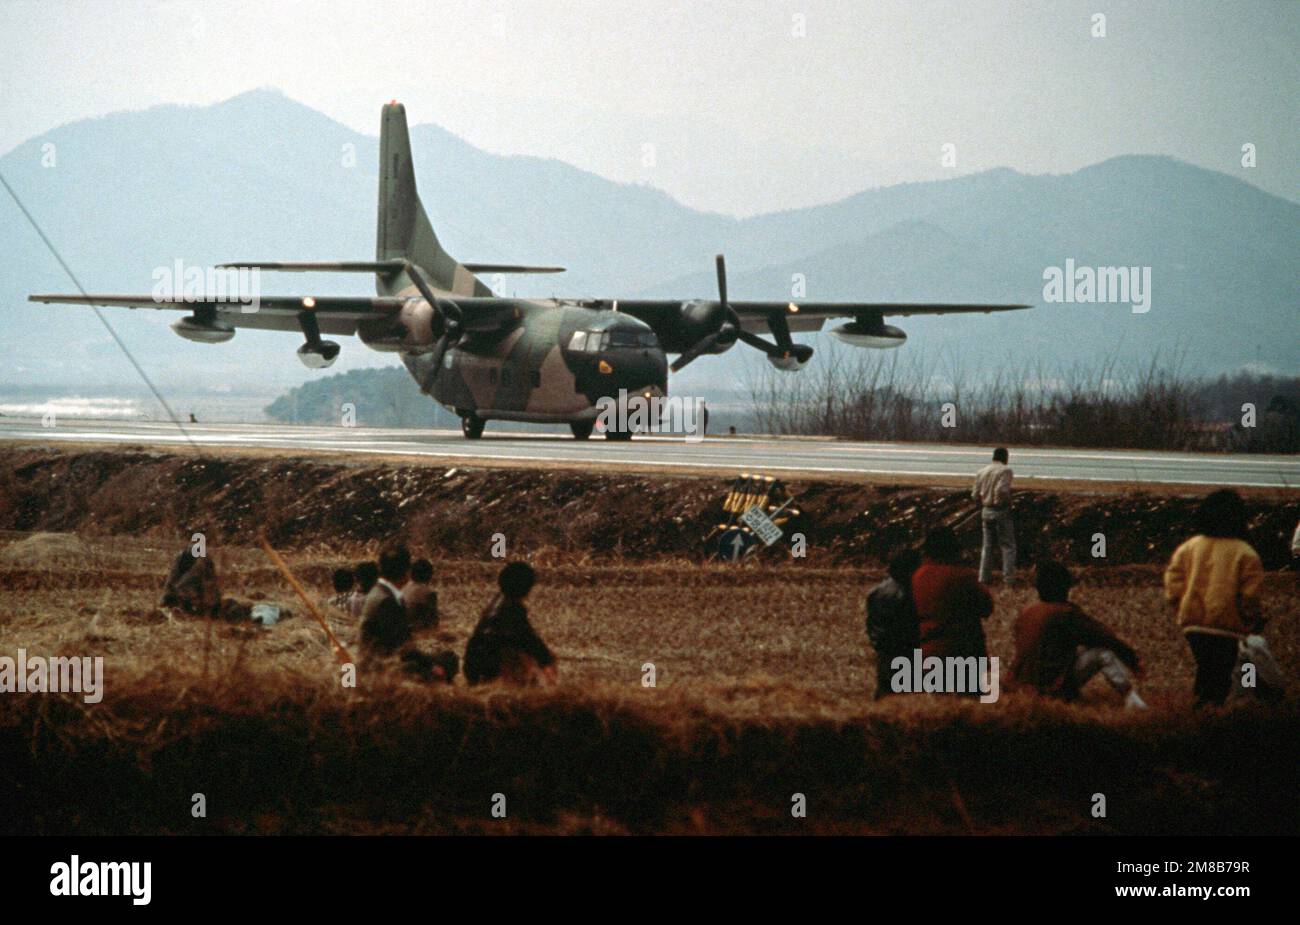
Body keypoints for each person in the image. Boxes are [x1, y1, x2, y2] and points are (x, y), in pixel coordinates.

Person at [1164, 489, 1265, 707]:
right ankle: (1211, 710)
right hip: (1227, 625)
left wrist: (1180, 603)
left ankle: (1200, 706)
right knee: (1220, 672)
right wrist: (1251, 618)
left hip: (1193, 622)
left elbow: (1173, 580)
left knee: (1205, 666)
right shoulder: (1246, 553)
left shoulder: (1189, 547)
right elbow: (1250, 595)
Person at [1013, 561, 1146, 708]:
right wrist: (1132, 660)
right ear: (1066, 587)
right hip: (1051, 687)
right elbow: (1105, 638)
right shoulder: (1066, 613)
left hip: (1020, 686)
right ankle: (1132, 700)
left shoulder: (1026, 613)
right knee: (1103, 654)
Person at [464, 562, 556, 686]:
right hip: (492, 667)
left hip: (472, 662)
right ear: (527, 588)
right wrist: (546, 661)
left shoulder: (495, 603)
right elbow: (529, 639)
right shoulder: (512, 608)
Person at [911, 527, 993, 664]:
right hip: (962, 653)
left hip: (927, 652)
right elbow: (986, 607)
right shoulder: (963, 576)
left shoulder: (918, 576)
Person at [865, 549, 922, 699]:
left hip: (885, 652)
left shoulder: (876, 592)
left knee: (885, 695)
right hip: (908, 652)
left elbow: (871, 626)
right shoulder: (912, 594)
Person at [358, 545, 413, 658]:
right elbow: (399, 647)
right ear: (406, 571)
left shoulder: (379, 592)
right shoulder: (387, 602)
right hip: (379, 668)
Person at [972, 447, 1016, 584]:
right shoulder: (1005, 470)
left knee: (987, 546)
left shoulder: (981, 471)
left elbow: (974, 494)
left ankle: (983, 577)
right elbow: (1002, 490)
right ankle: (1008, 578)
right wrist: (1005, 503)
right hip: (1000, 510)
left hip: (986, 510)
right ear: (1005, 457)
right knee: (1008, 546)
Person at [403, 558, 439, 629]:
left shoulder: (405, 586)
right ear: (428, 574)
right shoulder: (428, 592)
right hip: (415, 630)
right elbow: (433, 622)